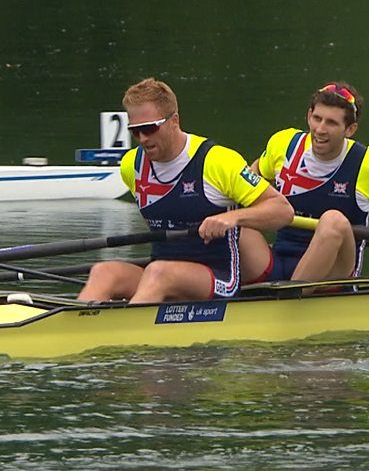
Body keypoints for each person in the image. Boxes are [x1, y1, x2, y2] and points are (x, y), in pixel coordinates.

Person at [78, 78, 294, 304]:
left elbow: (282, 210)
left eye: (150, 128)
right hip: (160, 274)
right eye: (135, 131)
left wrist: (233, 217)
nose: (143, 138)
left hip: (217, 279)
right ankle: (78, 323)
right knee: (104, 271)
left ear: (174, 121)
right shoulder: (131, 166)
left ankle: (127, 324)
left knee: (158, 273)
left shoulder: (217, 161)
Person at [246, 82, 369, 303]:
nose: (320, 129)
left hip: (334, 273)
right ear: (308, 116)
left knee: (333, 221)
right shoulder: (283, 143)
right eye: (317, 118)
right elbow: (254, 174)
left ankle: (287, 303)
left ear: (350, 129)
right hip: (279, 259)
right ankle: (220, 289)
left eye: (331, 123)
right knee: (232, 211)